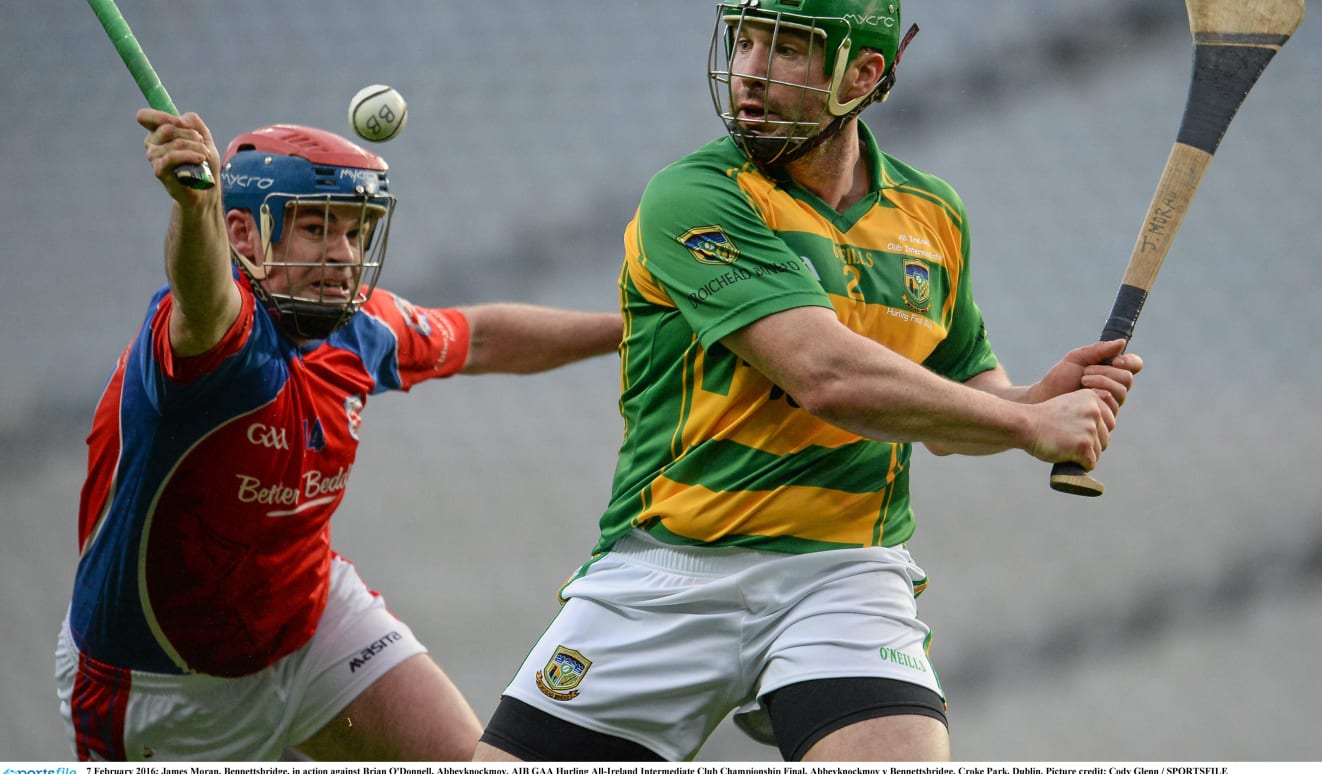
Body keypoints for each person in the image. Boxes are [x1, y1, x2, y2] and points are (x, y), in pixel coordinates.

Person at [473, 0, 1143, 763]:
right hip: (669, 568)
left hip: (845, 575)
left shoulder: (933, 216)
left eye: (788, 49)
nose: (750, 74)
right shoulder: (696, 196)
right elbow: (825, 374)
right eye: (747, 41)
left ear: (862, 73)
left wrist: (1031, 400)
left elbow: (957, 404)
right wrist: (1028, 427)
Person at [54, 109, 622, 762]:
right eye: (318, 227)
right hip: (157, 688)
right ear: (242, 233)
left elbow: (484, 337)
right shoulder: (210, 348)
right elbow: (203, 295)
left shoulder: (359, 329)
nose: (345, 256)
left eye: (356, 233)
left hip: (311, 624)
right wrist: (195, 207)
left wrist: (632, 330)